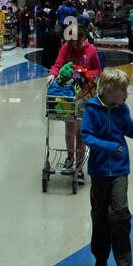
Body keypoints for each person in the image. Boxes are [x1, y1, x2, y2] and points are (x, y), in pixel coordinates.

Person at [80, 67, 133, 266]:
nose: (126, 94)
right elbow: (86, 136)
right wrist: (110, 147)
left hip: (120, 170)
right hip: (99, 171)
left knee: (120, 214)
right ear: (109, 90)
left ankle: (124, 263)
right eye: (123, 89)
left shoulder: (122, 109)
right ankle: (101, 259)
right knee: (99, 215)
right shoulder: (92, 109)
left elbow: (132, 130)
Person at [47, 20, 101, 183]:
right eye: (70, 43)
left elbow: (98, 70)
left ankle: (79, 166)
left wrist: (84, 74)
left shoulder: (91, 50)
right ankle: (70, 158)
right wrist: (53, 74)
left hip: (84, 94)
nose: (73, 46)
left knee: (80, 131)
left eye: (76, 42)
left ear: (83, 38)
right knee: (69, 128)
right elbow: (58, 65)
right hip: (67, 95)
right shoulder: (66, 48)